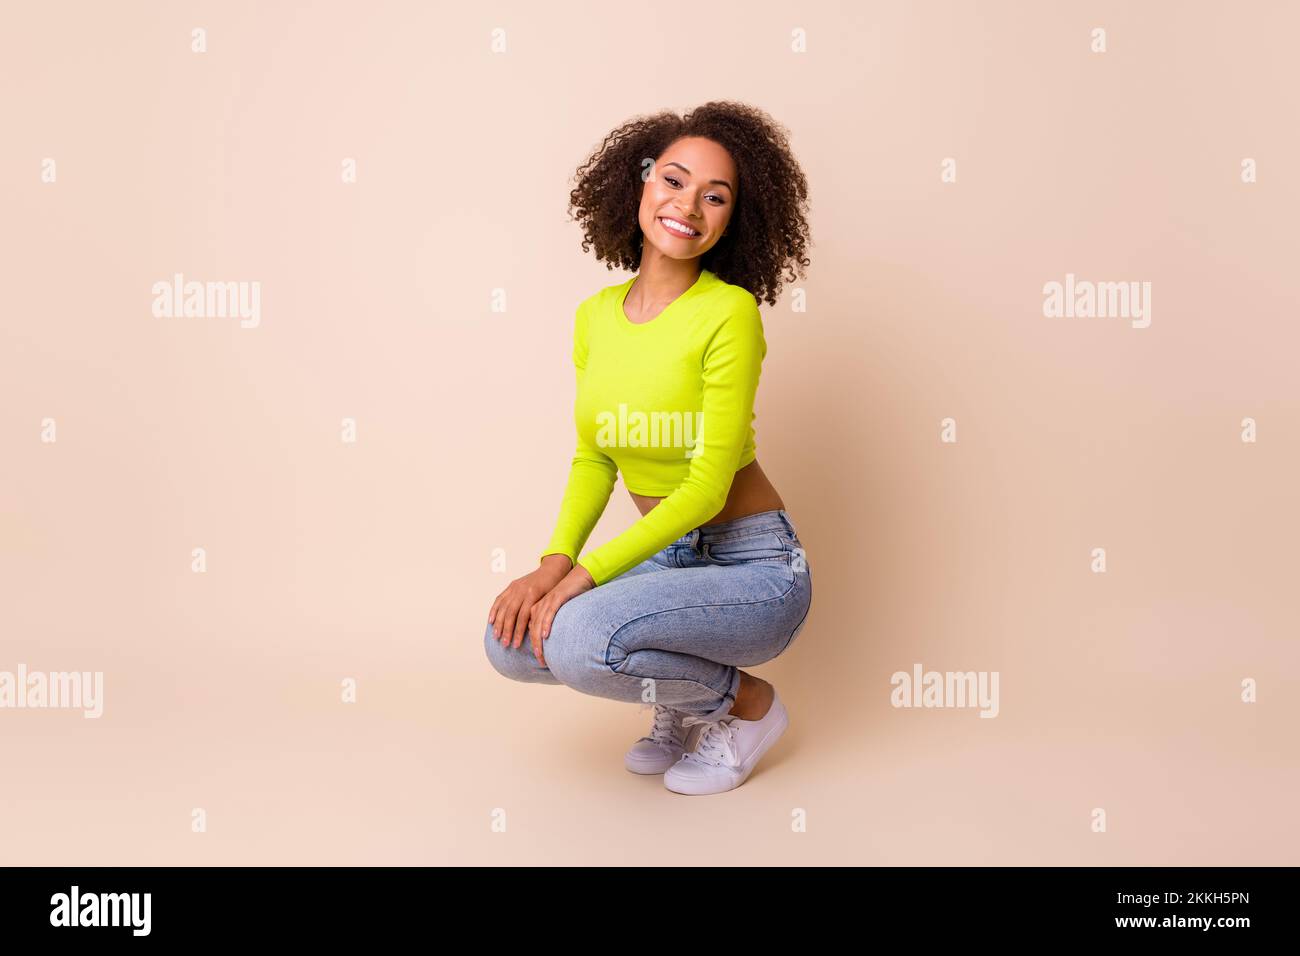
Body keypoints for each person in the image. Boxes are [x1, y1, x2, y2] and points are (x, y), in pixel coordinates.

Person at [486, 101, 813, 796]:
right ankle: (679, 701)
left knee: (577, 639)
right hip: (669, 555)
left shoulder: (728, 313)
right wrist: (553, 565)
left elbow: (706, 490)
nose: (688, 205)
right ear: (637, 183)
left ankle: (749, 707)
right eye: (674, 180)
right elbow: (594, 457)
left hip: (753, 567)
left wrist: (584, 578)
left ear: (732, 219)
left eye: (714, 196)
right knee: (510, 642)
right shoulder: (594, 317)